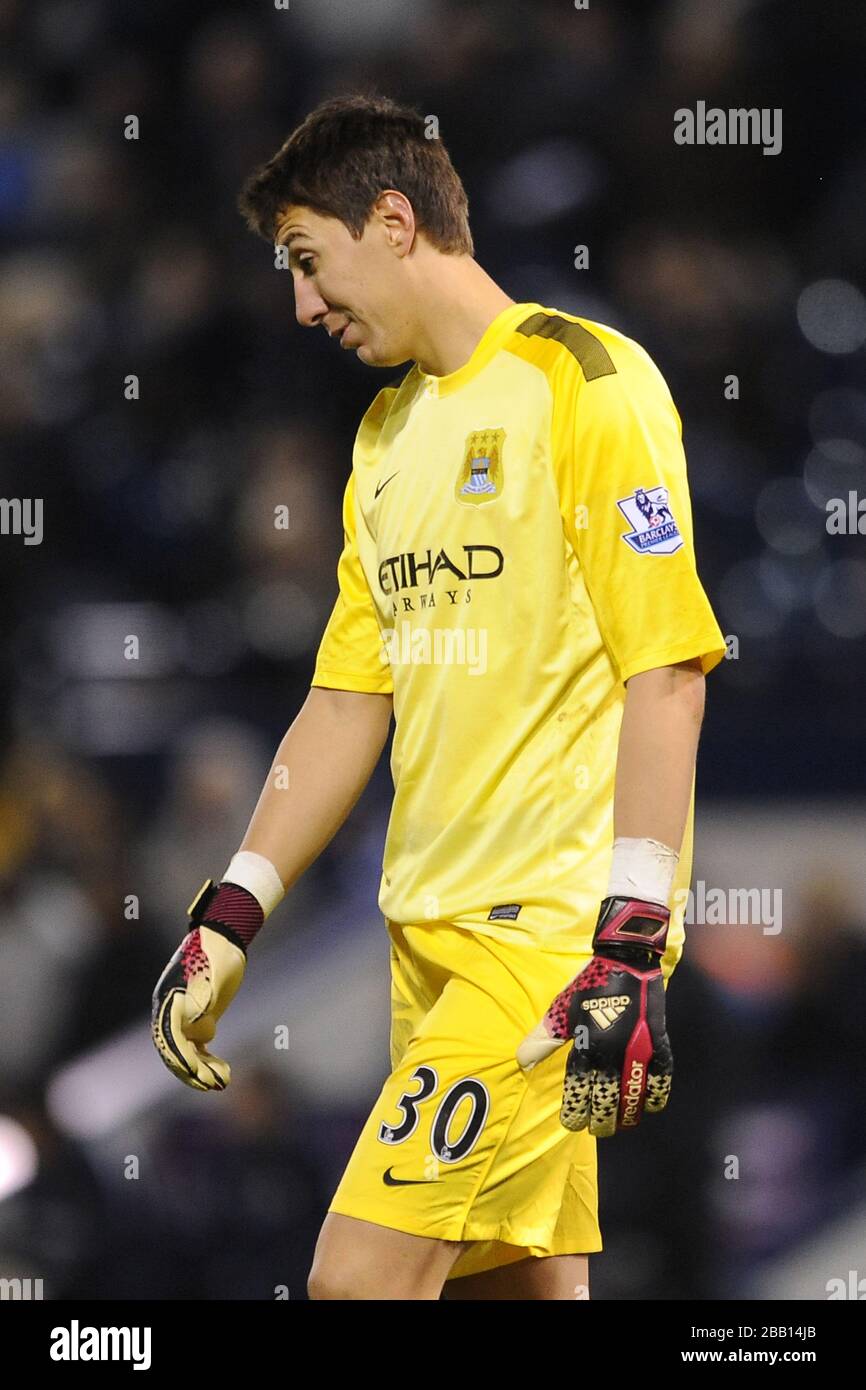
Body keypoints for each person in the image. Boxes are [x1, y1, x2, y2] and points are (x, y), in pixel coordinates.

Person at [151, 93, 727, 1301]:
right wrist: (233, 909)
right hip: (423, 944)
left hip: (547, 945)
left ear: (395, 221)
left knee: (357, 1283)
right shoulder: (385, 437)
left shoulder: (587, 380)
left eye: (308, 261)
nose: (302, 303)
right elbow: (347, 699)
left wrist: (628, 940)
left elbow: (665, 670)